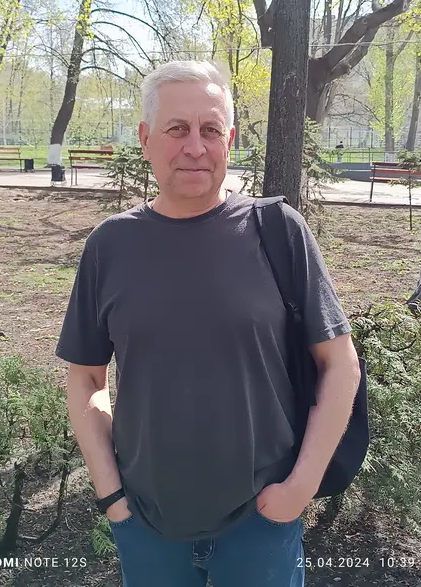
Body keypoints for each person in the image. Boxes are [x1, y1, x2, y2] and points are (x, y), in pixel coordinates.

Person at [56, 60, 361, 587]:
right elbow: (85, 378)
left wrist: (300, 488)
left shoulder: (278, 232)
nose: (195, 147)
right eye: (177, 129)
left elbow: (340, 364)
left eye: (211, 130)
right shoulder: (110, 246)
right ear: (146, 139)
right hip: (147, 527)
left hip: (261, 524)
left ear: (230, 140)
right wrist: (113, 498)